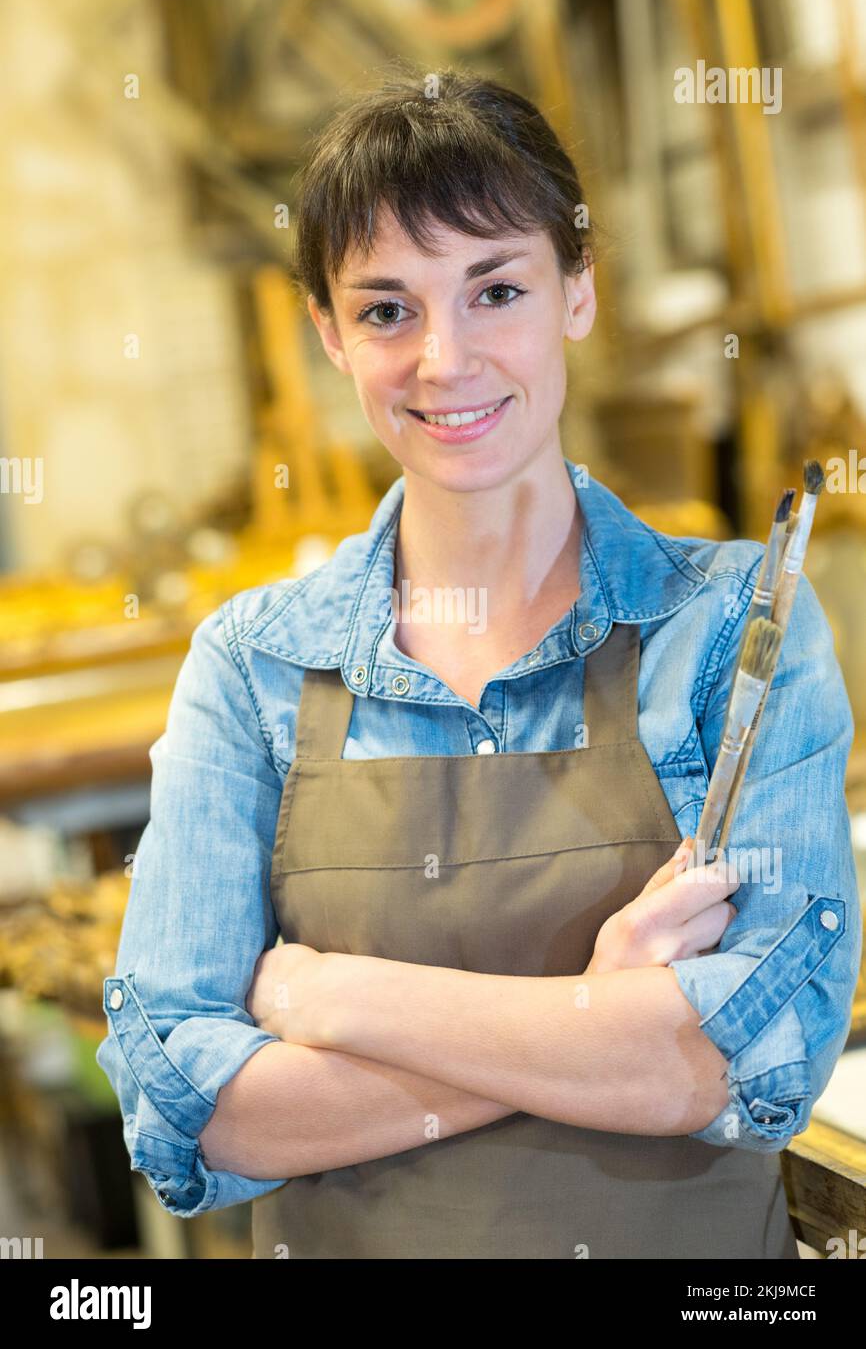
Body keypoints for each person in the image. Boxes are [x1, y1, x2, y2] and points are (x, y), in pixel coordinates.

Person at [97, 67, 861, 1259]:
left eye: (493, 288)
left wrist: (342, 998)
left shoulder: (732, 628)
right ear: (329, 336)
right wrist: (597, 1015)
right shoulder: (249, 669)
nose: (444, 359)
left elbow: (757, 1058)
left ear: (576, 291)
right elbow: (184, 1114)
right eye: (387, 309)